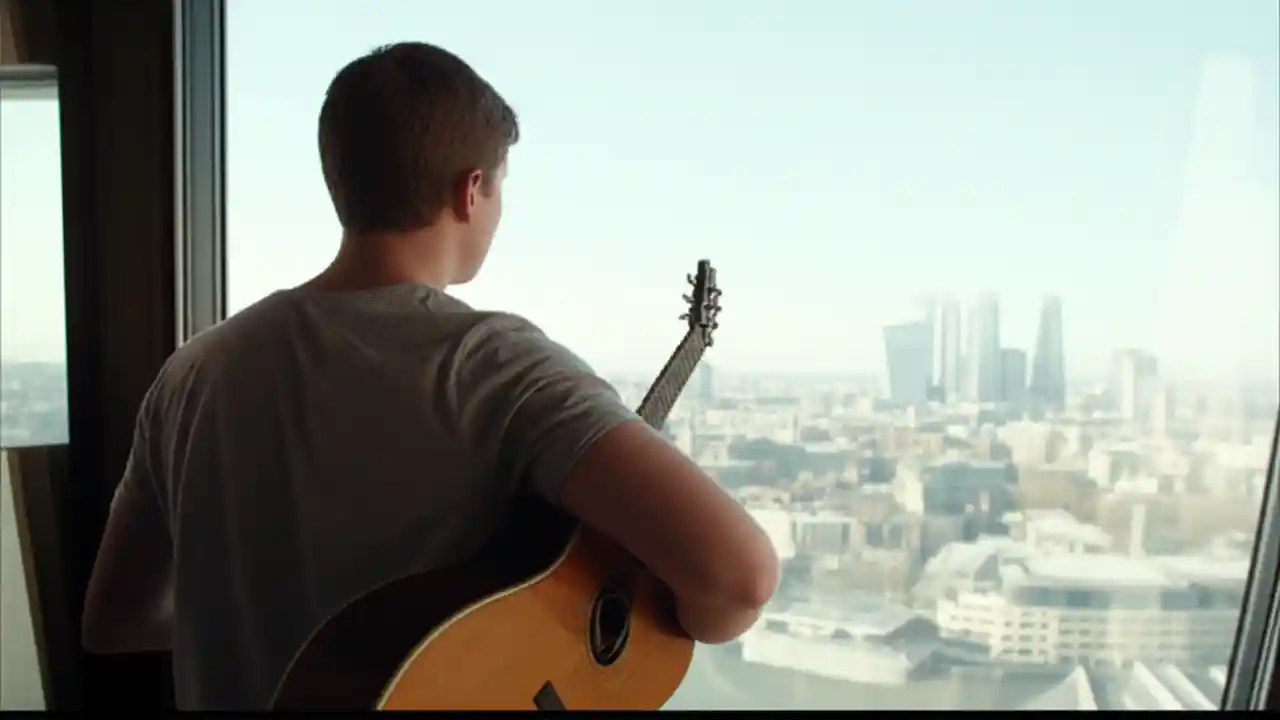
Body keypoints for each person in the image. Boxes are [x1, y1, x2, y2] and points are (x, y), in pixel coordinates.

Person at [81, 42, 780, 711]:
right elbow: (740, 579)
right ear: (470, 190)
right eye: (500, 185)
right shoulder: (490, 362)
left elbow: (115, 619)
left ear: (340, 179)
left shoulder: (189, 374)